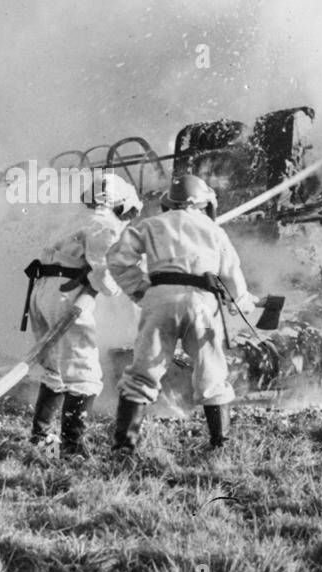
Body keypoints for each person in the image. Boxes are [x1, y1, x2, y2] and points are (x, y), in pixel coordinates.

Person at [106, 174, 257, 452]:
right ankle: (219, 445)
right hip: (202, 302)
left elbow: (117, 259)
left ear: (167, 203)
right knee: (211, 372)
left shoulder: (150, 225)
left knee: (143, 372)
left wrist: (140, 290)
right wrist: (243, 302)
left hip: (160, 299)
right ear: (203, 202)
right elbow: (232, 276)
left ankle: (125, 448)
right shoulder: (214, 230)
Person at [22, 172, 142, 456]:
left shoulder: (76, 219)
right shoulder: (105, 226)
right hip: (68, 297)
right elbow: (106, 277)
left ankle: (40, 439)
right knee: (84, 369)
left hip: (43, 294)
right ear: (122, 205)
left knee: (55, 369)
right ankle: (72, 449)